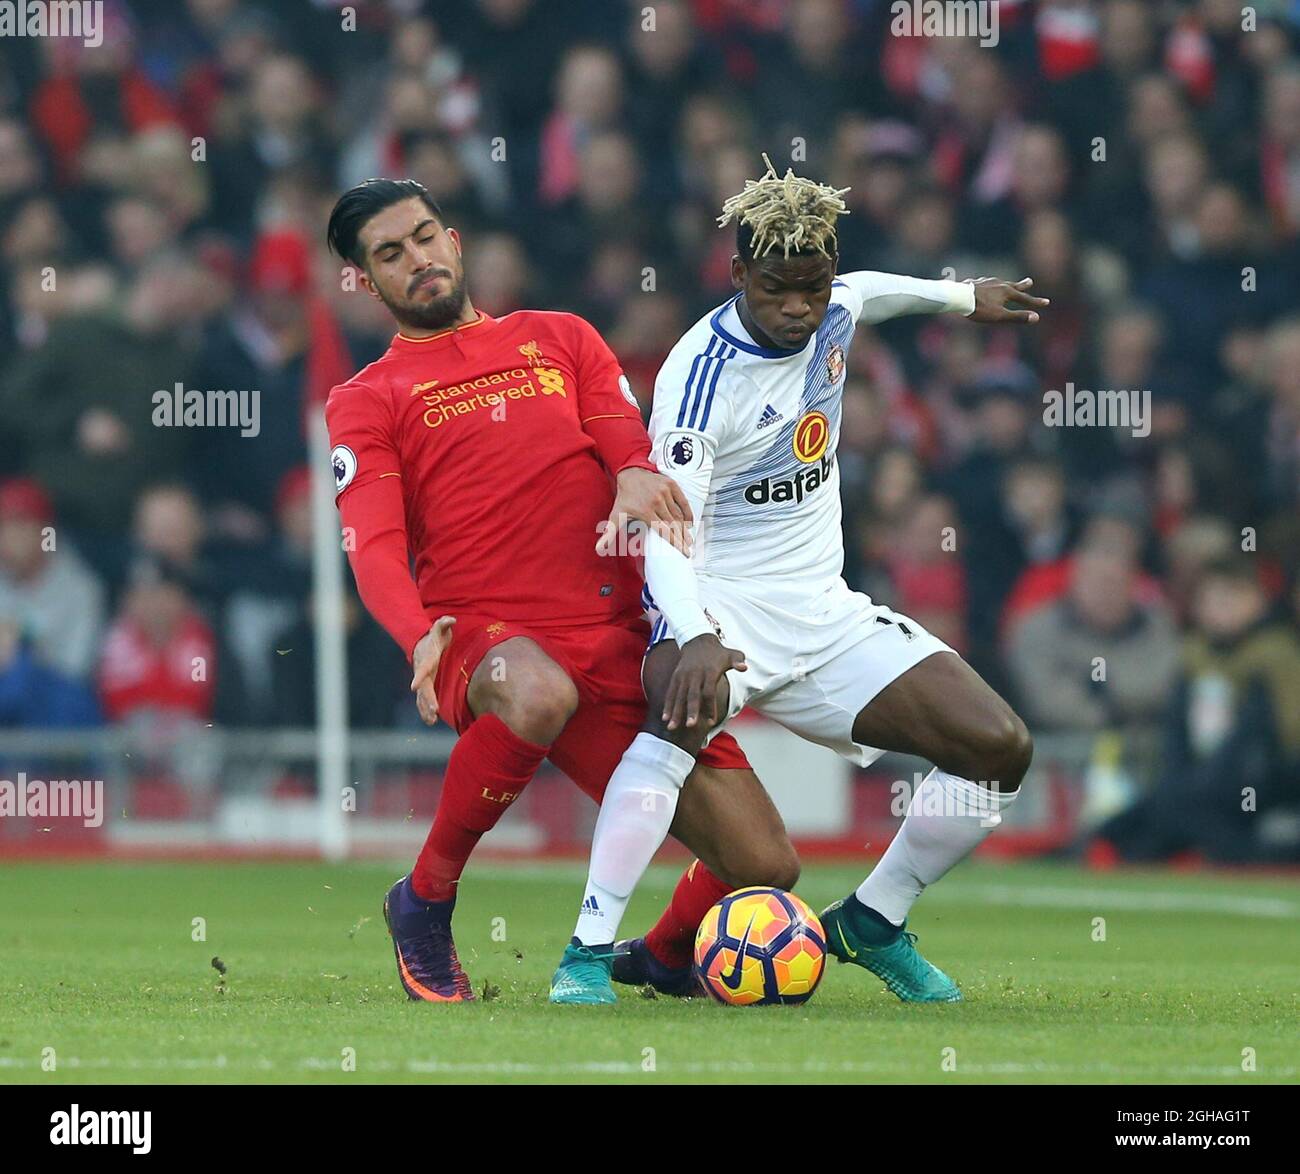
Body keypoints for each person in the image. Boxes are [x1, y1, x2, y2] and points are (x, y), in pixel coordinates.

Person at [550, 157, 1045, 1005]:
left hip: (824, 612)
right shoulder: (700, 378)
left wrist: (965, 297)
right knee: (676, 714)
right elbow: (666, 521)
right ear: (738, 273)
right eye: (777, 289)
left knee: (999, 747)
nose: (798, 310)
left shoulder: (834, 308)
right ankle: (587, 953)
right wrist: (695, 631)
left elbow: (870, 290)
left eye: (810, 290)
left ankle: (872, 922)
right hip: (717, 603)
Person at [324, 178, 801, 1003]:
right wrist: (418, 634)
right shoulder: (367, 399)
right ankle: (426, 900)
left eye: (426, 236)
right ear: (367, 284)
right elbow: (371, 543)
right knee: (537, 693)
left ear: (456, 239)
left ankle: (656, 955)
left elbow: (624, 439)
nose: (419, 261)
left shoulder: (559, 338)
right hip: (489, 637)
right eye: (390, 255)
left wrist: (632, 475)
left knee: (764, 866)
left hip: (618, 641)